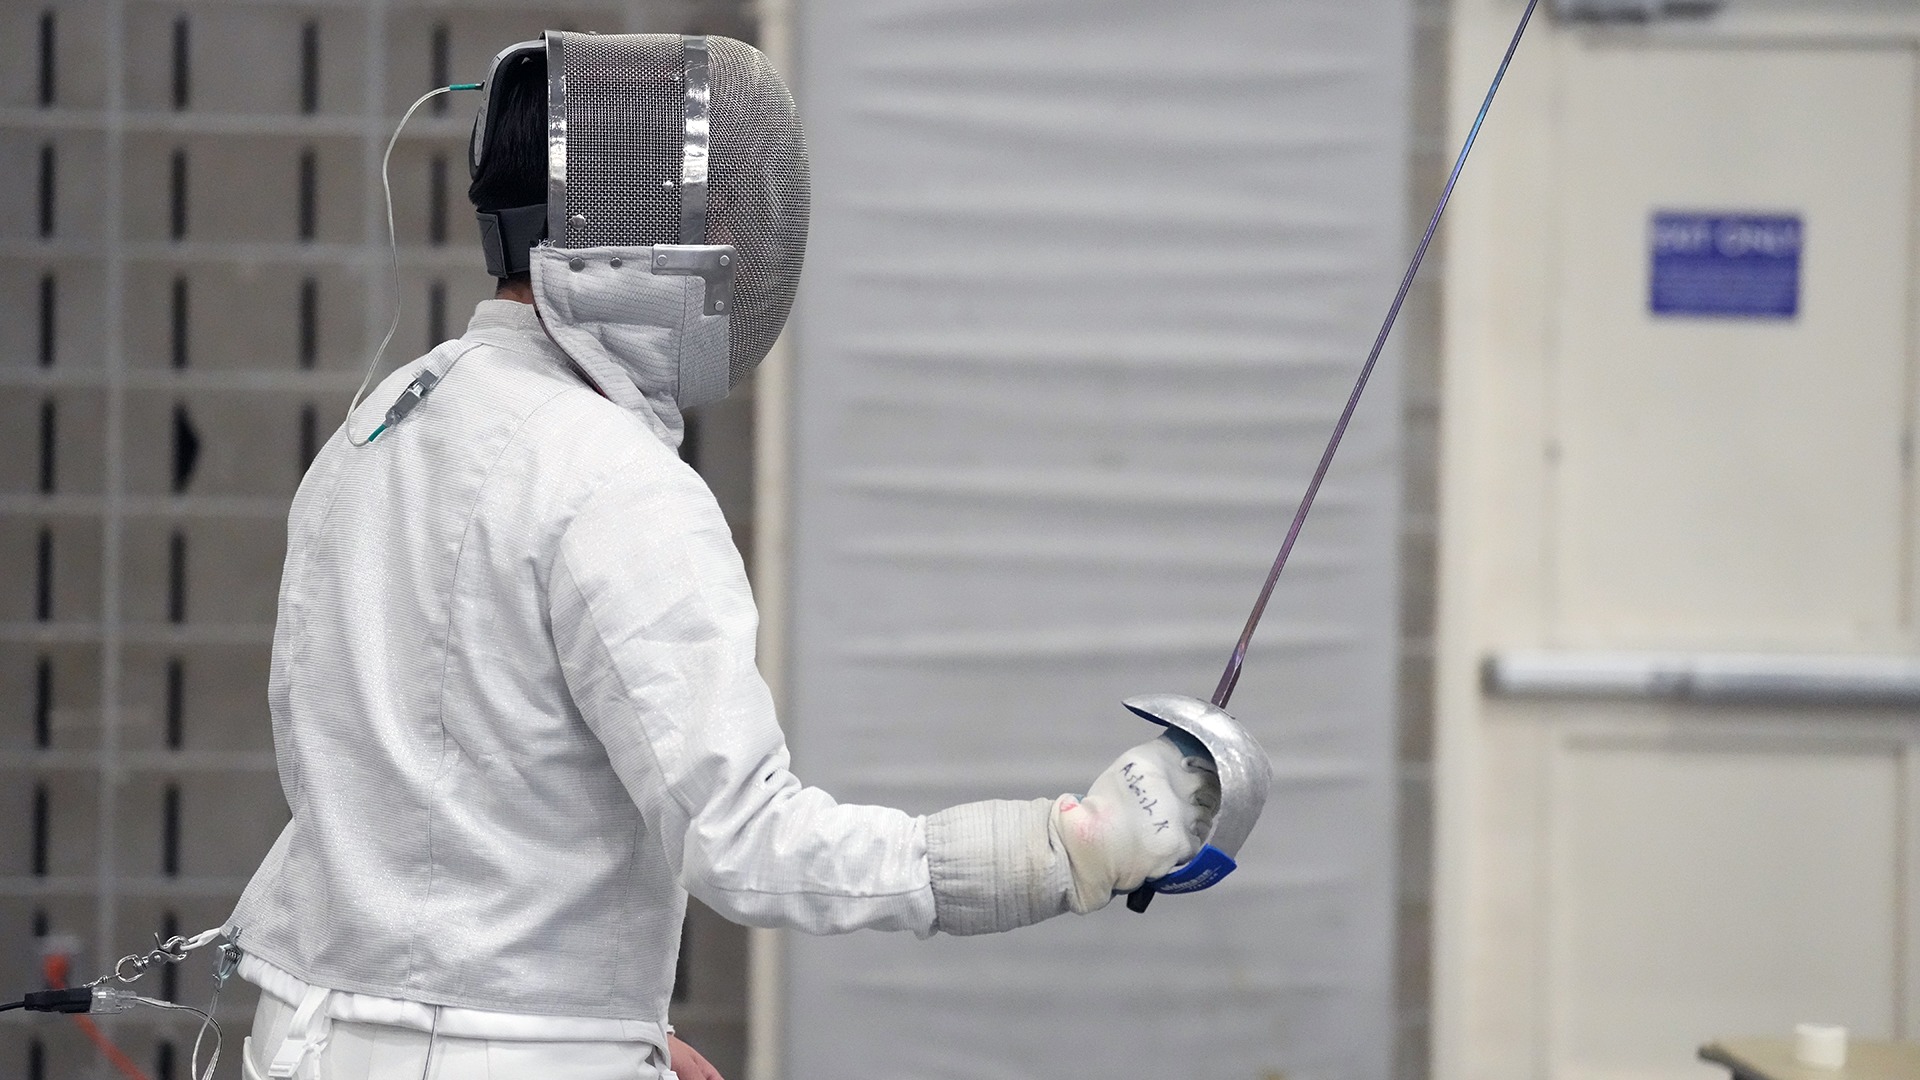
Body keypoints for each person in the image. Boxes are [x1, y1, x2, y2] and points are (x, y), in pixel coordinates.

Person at [224, 32, 1220, 1080]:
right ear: (628, 228)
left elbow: (407, 796)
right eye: (721, 217)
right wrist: (1066, 852)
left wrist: (601, 1034)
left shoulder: (382, 420)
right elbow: (748, 841)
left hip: (305, 1040)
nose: (744, 248)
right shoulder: (612, 478)